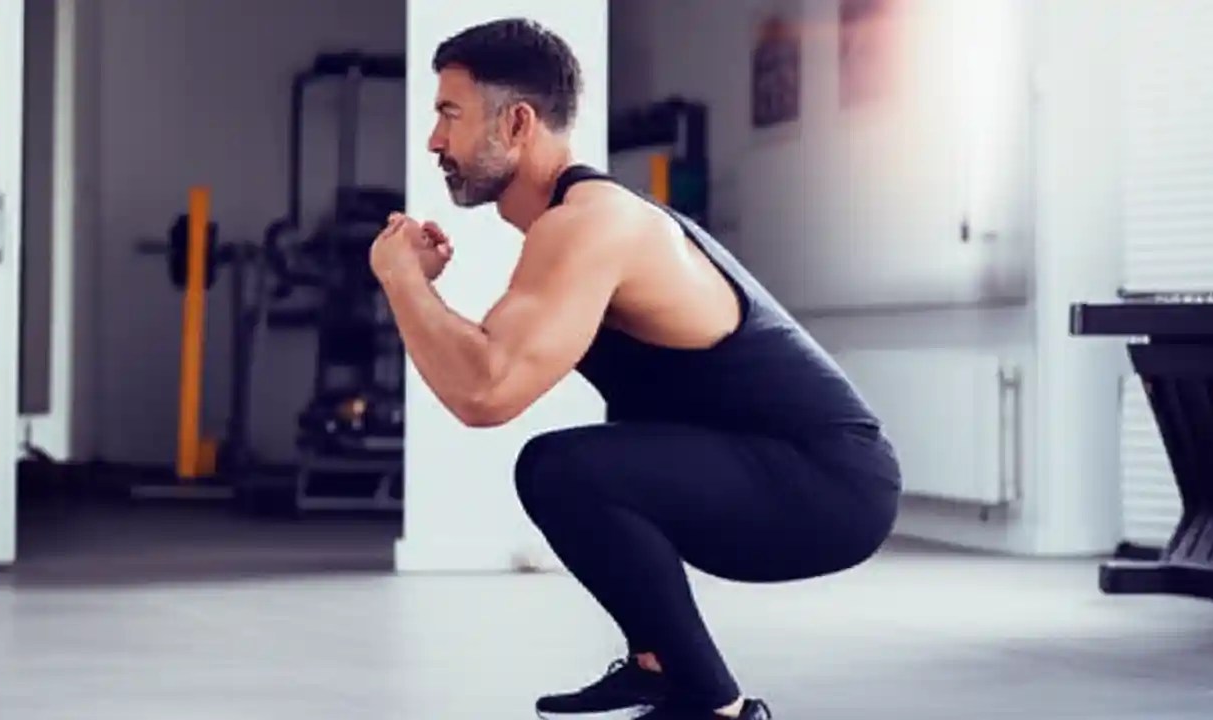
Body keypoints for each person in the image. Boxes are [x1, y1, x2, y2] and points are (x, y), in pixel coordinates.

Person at [368, 17, 902, 720]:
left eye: (450, 114)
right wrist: (413, 285)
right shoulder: (571, 225)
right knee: (605, 453)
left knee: (564, 468)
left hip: (829, 485)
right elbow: (487, 367)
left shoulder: (591, 225)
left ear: (518, 123)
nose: (435, 140)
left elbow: (485, 390)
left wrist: (402, 280)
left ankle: (713, 706)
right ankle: (660, 667)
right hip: (787, 471)